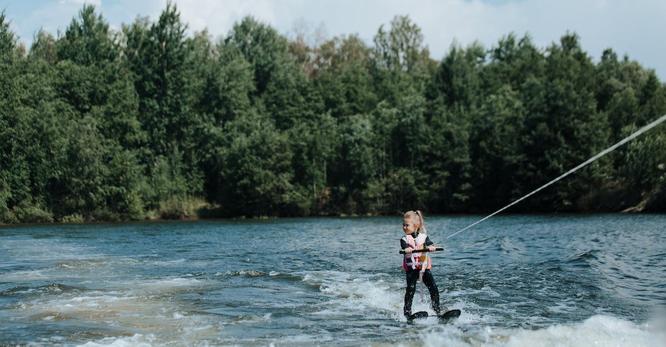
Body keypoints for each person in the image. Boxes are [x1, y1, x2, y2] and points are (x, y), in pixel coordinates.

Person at [400, 210, 442, 319]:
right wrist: (407, 249)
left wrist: (432, 247)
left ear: (416, 225)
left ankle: (437, 310)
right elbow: (404, 246)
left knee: (433, 288)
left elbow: (430, 244)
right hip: (412, 270)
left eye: (407, 225)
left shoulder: (424, 237)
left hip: (424, 269)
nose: (404, 227)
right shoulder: (404, 239)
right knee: (410, 289)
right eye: (403, 225)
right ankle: (407, 312)